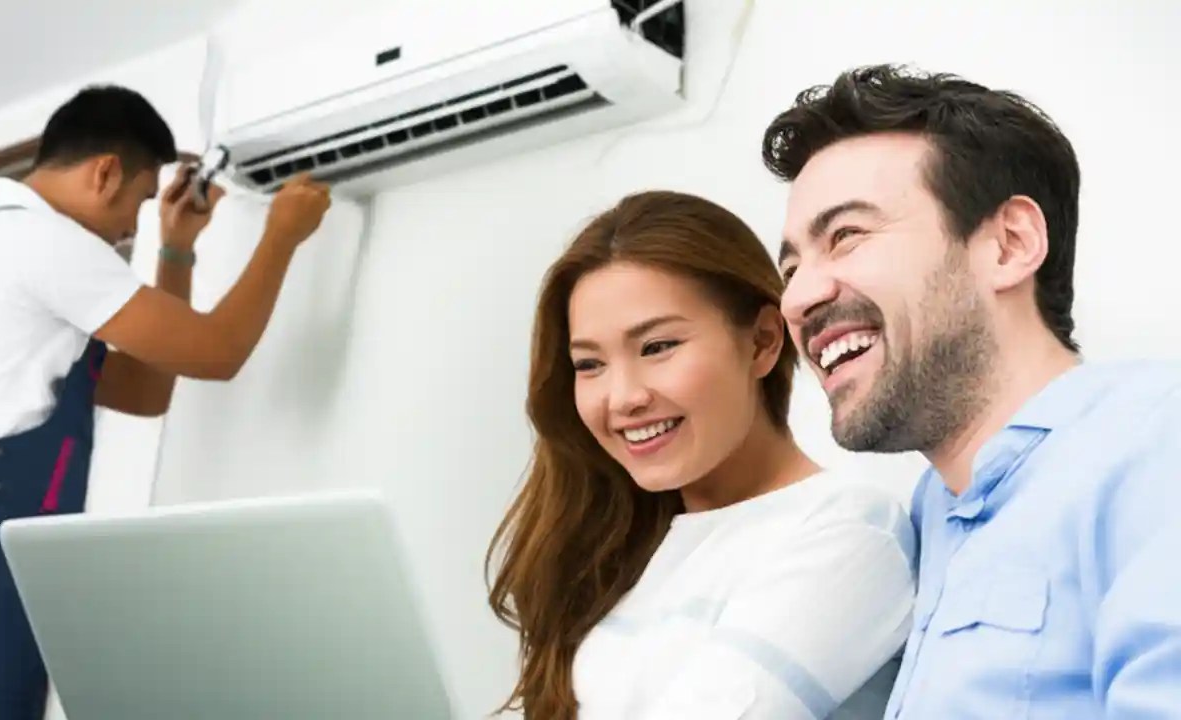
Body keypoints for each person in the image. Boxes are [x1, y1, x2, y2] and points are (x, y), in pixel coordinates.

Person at [763, 63, 1181, 719]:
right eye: (790, 268)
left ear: (1010, 244)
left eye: (845, 235)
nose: (797, 297)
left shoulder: (1159, 442)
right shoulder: (930, 515)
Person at [0, 85, 331, 718]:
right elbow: (218, 353)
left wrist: (177, 249)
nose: (131, 228)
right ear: (105, 171)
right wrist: (282, 237)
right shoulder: (38, 242)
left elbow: (147, 389)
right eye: (137, 203)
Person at [485, 190, 916, 719]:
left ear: (761, 342)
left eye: (657, 347)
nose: (623, 398)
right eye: (590, 364)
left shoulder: (848, 530)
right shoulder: (634, 550)